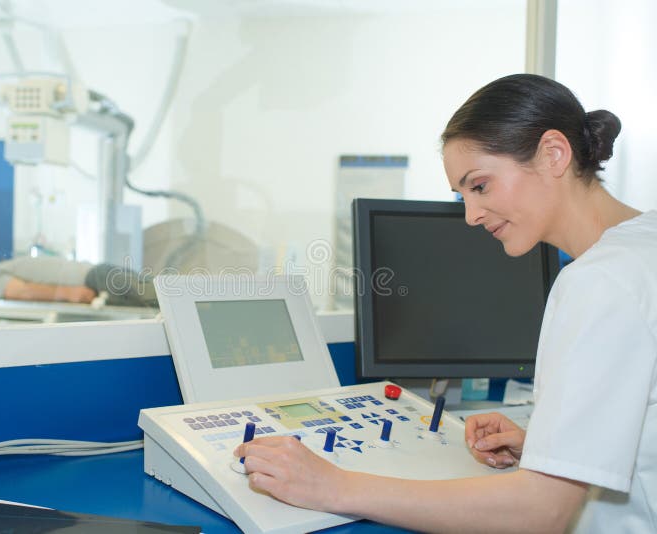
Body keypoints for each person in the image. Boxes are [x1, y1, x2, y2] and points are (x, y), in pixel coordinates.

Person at [235, 74, 656, 533]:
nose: (471, 216)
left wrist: (332, 486)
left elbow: (540, 512)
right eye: (462, 196)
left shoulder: (599, 281)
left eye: (480, 186)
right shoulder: (642, 246)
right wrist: (554, 448)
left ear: (553, 153)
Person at [0, 253, 157, 307]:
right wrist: (68, 293)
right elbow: (20, 291)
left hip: (98, 274)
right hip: (94, 280)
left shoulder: (1, 267)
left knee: (159, 290)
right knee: (162, 295)